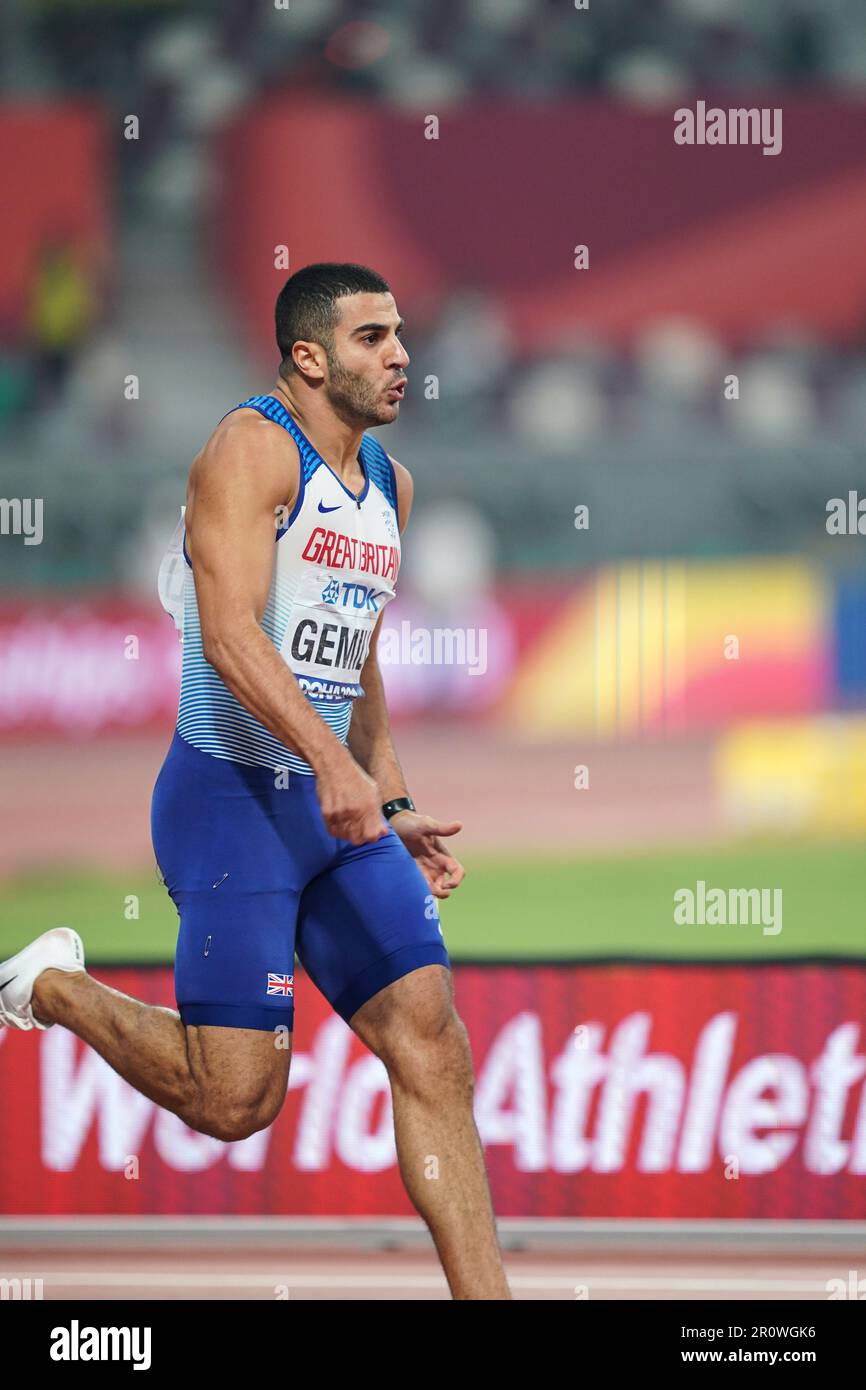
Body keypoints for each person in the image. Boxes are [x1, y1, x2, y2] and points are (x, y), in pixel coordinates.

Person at [0, 262, 512, 1300]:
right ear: (309, 357)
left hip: (339, 813)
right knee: (234, 1102)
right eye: (373, 337)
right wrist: (332, 767)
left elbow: (355, 657)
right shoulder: (246, 450)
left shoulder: (391, 487)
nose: (402, 354)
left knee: (433, 1048)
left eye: (401, 333)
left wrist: (392, 796)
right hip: (231, 801)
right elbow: (231, 636)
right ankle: (48, 986)